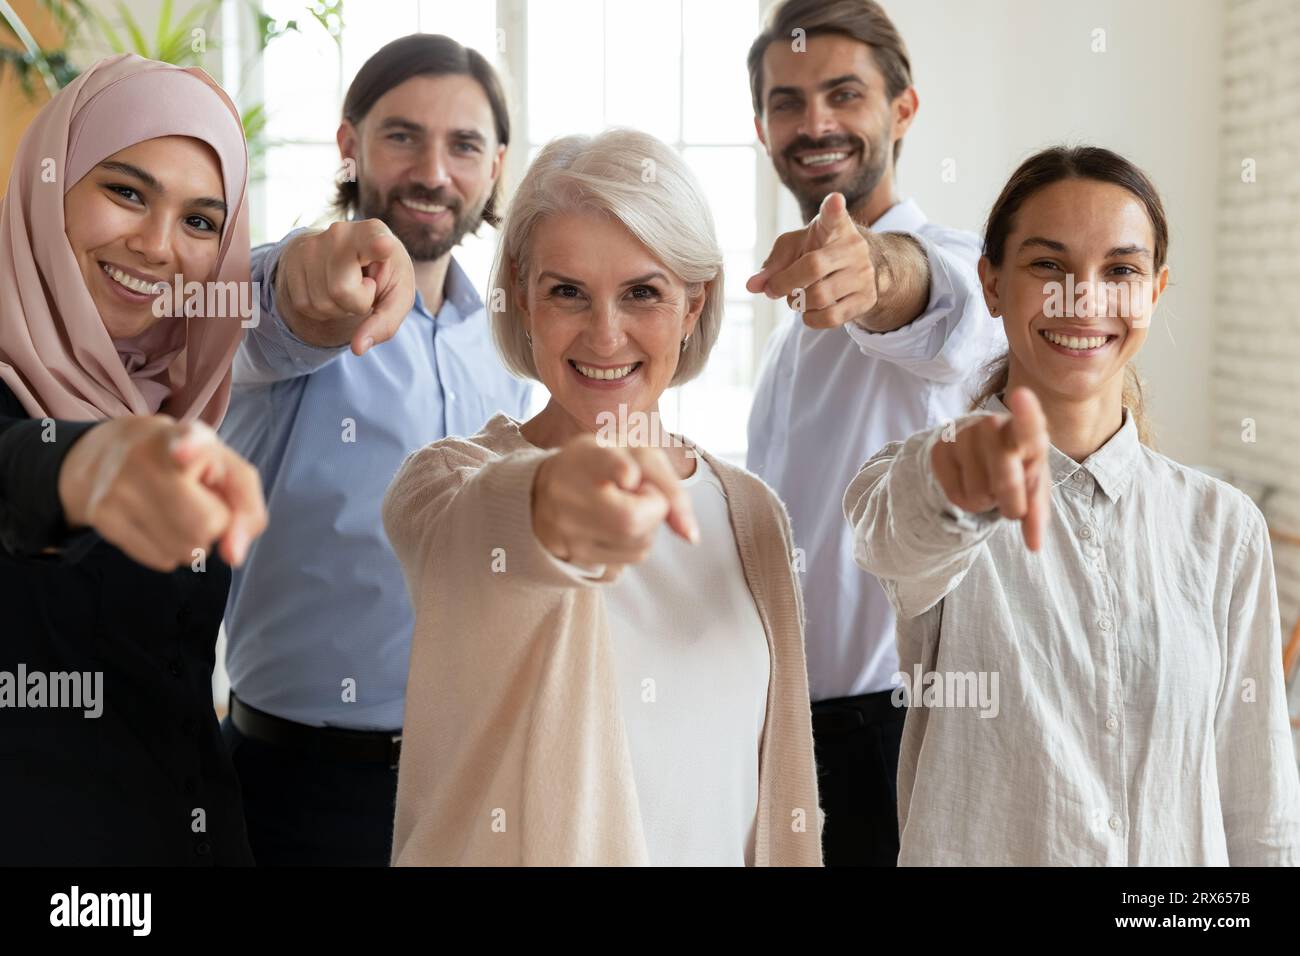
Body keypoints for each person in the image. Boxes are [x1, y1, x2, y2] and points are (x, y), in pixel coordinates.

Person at [844, 145, 1300, 865]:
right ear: (991, 285)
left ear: (1155, 290)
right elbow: (893, 536)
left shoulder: (1223, 528)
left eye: (1120, 270)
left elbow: (1261, 812)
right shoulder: (919, 481)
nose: (1083, 299)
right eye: (1048, 265)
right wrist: (959, 486)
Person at [384, 128, 823, 866]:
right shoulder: (444, 487)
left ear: (693, 304)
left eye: (643, 293)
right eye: (567, 293)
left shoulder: (751, 514)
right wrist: (552, 499)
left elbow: (773, 805)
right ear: (523, 296)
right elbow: (498, 527)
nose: (605, 333)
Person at [217, 33, 530, 866]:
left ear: (496, 166)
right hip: (299, 790)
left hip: (476, 781)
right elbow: (248, 312)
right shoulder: (300, 307)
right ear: (349, 146)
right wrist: (300, 282)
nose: (434, 171)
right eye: (402, 136)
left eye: (464, 144)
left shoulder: (506, 343)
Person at [743, 0, 1003, 864]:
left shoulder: (958, 265)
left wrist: (876, 270)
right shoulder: (790, 327)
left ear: (902, 109)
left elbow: (929, 292)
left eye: (843, 94)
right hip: (792, 732)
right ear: (762, 125)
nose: (813, 122)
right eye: (788, 101)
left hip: (891, 735)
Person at [0, 54, 267, 865]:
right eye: (125, 192)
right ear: (52, 191)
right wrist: (90, 464)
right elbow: (19, 467)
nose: (156, 247)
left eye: (199, 221)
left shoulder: (178, 402)